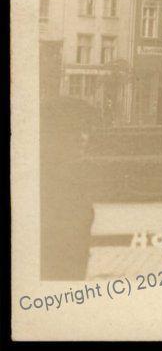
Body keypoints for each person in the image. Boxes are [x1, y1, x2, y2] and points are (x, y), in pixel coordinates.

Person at [40, 95, 95, 280]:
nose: (83, 137)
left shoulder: (74, 176)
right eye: (74, 130)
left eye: (85, 129)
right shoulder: (52, 182)